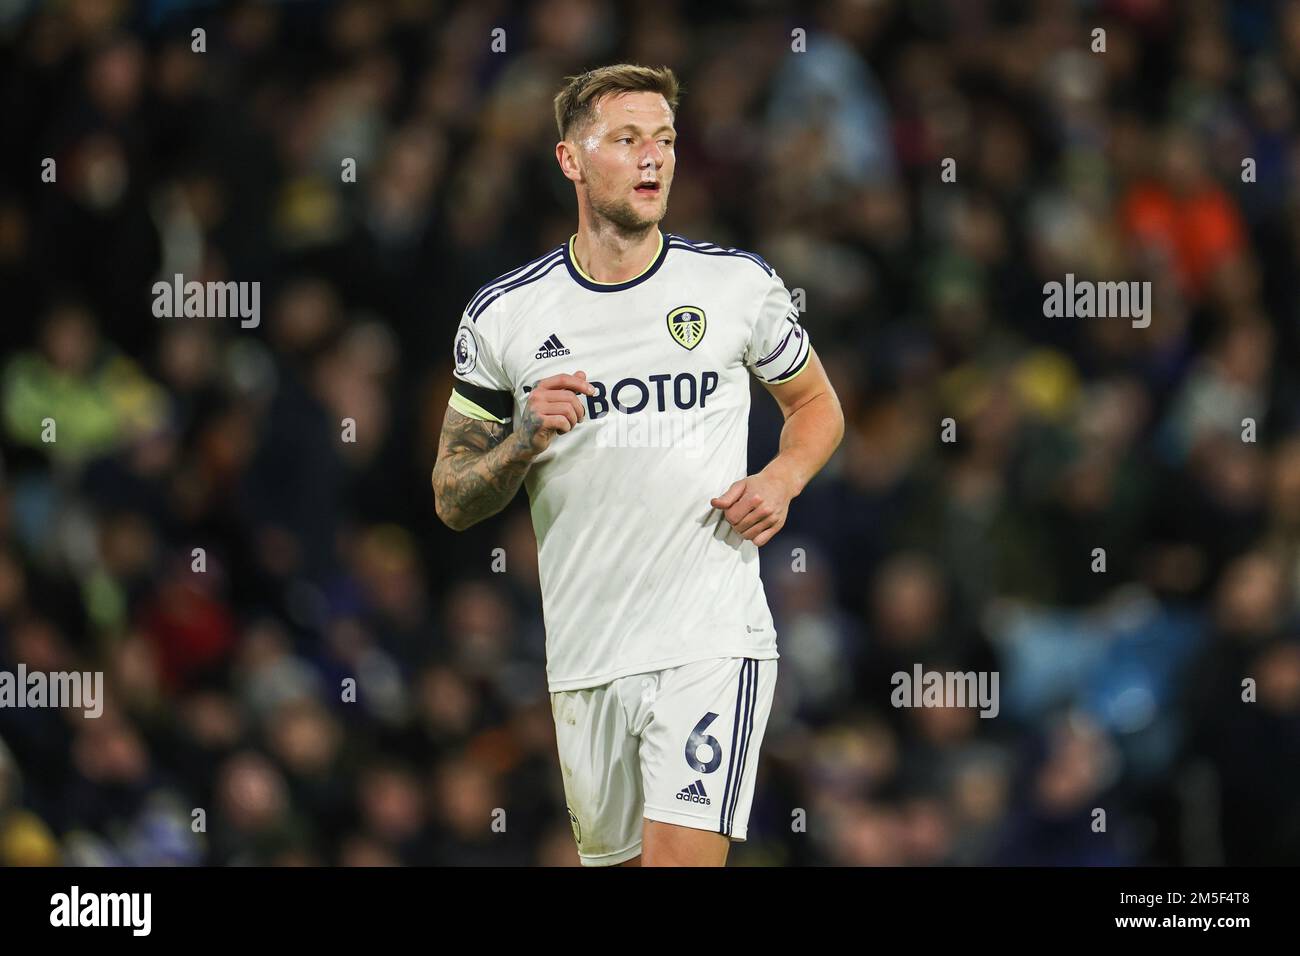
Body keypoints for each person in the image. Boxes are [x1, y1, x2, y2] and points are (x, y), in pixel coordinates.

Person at [431, 64, 844, 866]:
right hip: (585, 659)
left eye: (664, 140)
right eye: (626, 140)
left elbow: (817, 407)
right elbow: (451, 495)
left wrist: (781, 479)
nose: (653, 158)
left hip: (708, 638)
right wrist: (521, 438)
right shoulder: (506, 317)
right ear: (571, 161)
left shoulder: (736, 287)